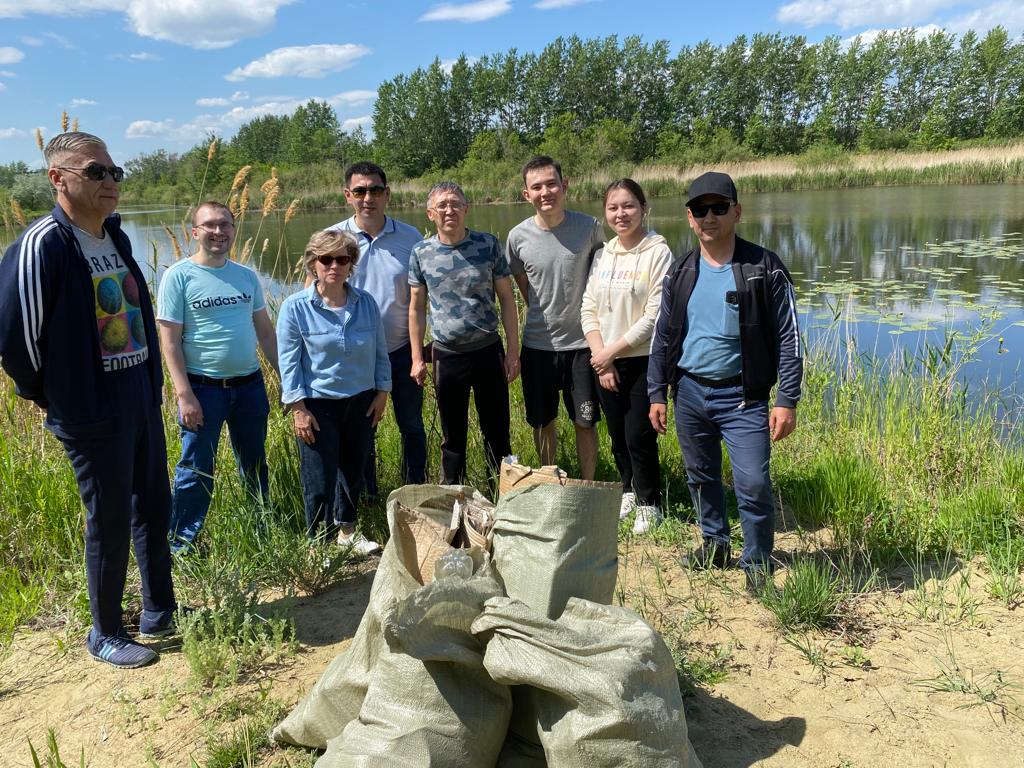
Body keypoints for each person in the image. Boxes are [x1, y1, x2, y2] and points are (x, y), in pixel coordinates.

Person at [0, 131, 178, 668]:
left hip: (137, 397)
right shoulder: (44, 245)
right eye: (96, 172)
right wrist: (52, 394)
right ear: (58, 178)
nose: (111, 182)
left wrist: (151, 386)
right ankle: (104, 632)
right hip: (90, 408)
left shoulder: (116, 237)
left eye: (114, 172)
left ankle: (159, 610)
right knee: (108, 516)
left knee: (152, 503)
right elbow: (14, 338)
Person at [647, 172, 802, 592]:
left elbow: (789, 337)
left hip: (743, 396)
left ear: (737, 211)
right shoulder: (680, 270)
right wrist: (656, 391)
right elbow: (663, 336)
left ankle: (756, 562)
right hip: (690, 392)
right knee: (701, 476)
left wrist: (786, 398)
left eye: (718, 208)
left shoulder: (763, 267)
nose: (709, 216)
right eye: (700, 209)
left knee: (752, 482)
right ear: (690, 217)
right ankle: (714, 544)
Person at [157, 202, 278, 552]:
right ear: (194, 233)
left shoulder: (245, 276)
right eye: (209, 225)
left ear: (233, 230)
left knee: (254, 464)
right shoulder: (178, 276)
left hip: (250, 386)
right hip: (202, 390)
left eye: (225, 224)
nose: (218, 232)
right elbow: (170, 342)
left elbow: (266, 334)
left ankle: (262, 532)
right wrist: (184, 395)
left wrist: (286, 381)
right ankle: (181, 546)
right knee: (195, 470)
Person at [277, 230, 390, 552]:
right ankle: (318, 544)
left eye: (343, 259)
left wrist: (382, 393)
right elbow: (289, 363)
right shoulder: (295, 308)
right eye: (326, 259)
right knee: (319, 478)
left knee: (354, 470)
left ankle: (348, 533)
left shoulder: (365, 303)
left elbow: (380, 352)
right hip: (317, 404)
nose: (334, 266)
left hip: (362, 400)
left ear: (351, 264)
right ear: (313, 263)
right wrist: (298, 408)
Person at [408, 182, 519, 490]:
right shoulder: (422, 253)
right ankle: (453, 497)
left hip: (488, 351)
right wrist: (418, 358)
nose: (449, 210)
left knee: (497, 429)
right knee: (452, 435)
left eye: (456, 204)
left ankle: (502, 493)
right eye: (442, 205)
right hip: (448, 355)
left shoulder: (488, 245)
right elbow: (416, 308)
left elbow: (508, 300)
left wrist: (512, 352)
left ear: (466, 209)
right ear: (431, 213)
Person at [581, 179, 674, 534]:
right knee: (618, 434)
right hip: (602, 358)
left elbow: (654, 316)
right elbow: (588, 307)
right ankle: (628, 490)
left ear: (644, 208)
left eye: (629, 206)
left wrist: (610, 353)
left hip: (642, 358)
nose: (621, 214)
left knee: (639, 434)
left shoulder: (657, 252)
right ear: (605, 213)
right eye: (613, 207)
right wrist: (600, 357)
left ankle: (650, 502)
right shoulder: (603, 254)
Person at [329, 162, 427, 494]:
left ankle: (414, 490)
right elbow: (314, 298)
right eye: (360, 191)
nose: (368, 197)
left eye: (375, 190)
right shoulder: (334, 241)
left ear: (387, 195)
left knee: (412, 425)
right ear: (348, 196)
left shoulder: (411, 237)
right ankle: (368, 495)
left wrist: (421, 352)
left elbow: (422, 296)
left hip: (402, 352)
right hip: (357, 357)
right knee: (362, 429)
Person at [507, 156, 604, 480]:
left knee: (584, 421)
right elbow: (526, 290)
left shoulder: (589, 227)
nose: (545, 192)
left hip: (583, 345)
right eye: (537, 187)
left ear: (565, 186)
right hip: (538, 346)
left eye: (551, 184)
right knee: (542, 421)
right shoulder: (517, 238)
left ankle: (588, 484)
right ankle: (551, 479)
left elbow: (600, 280)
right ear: (526, 194)